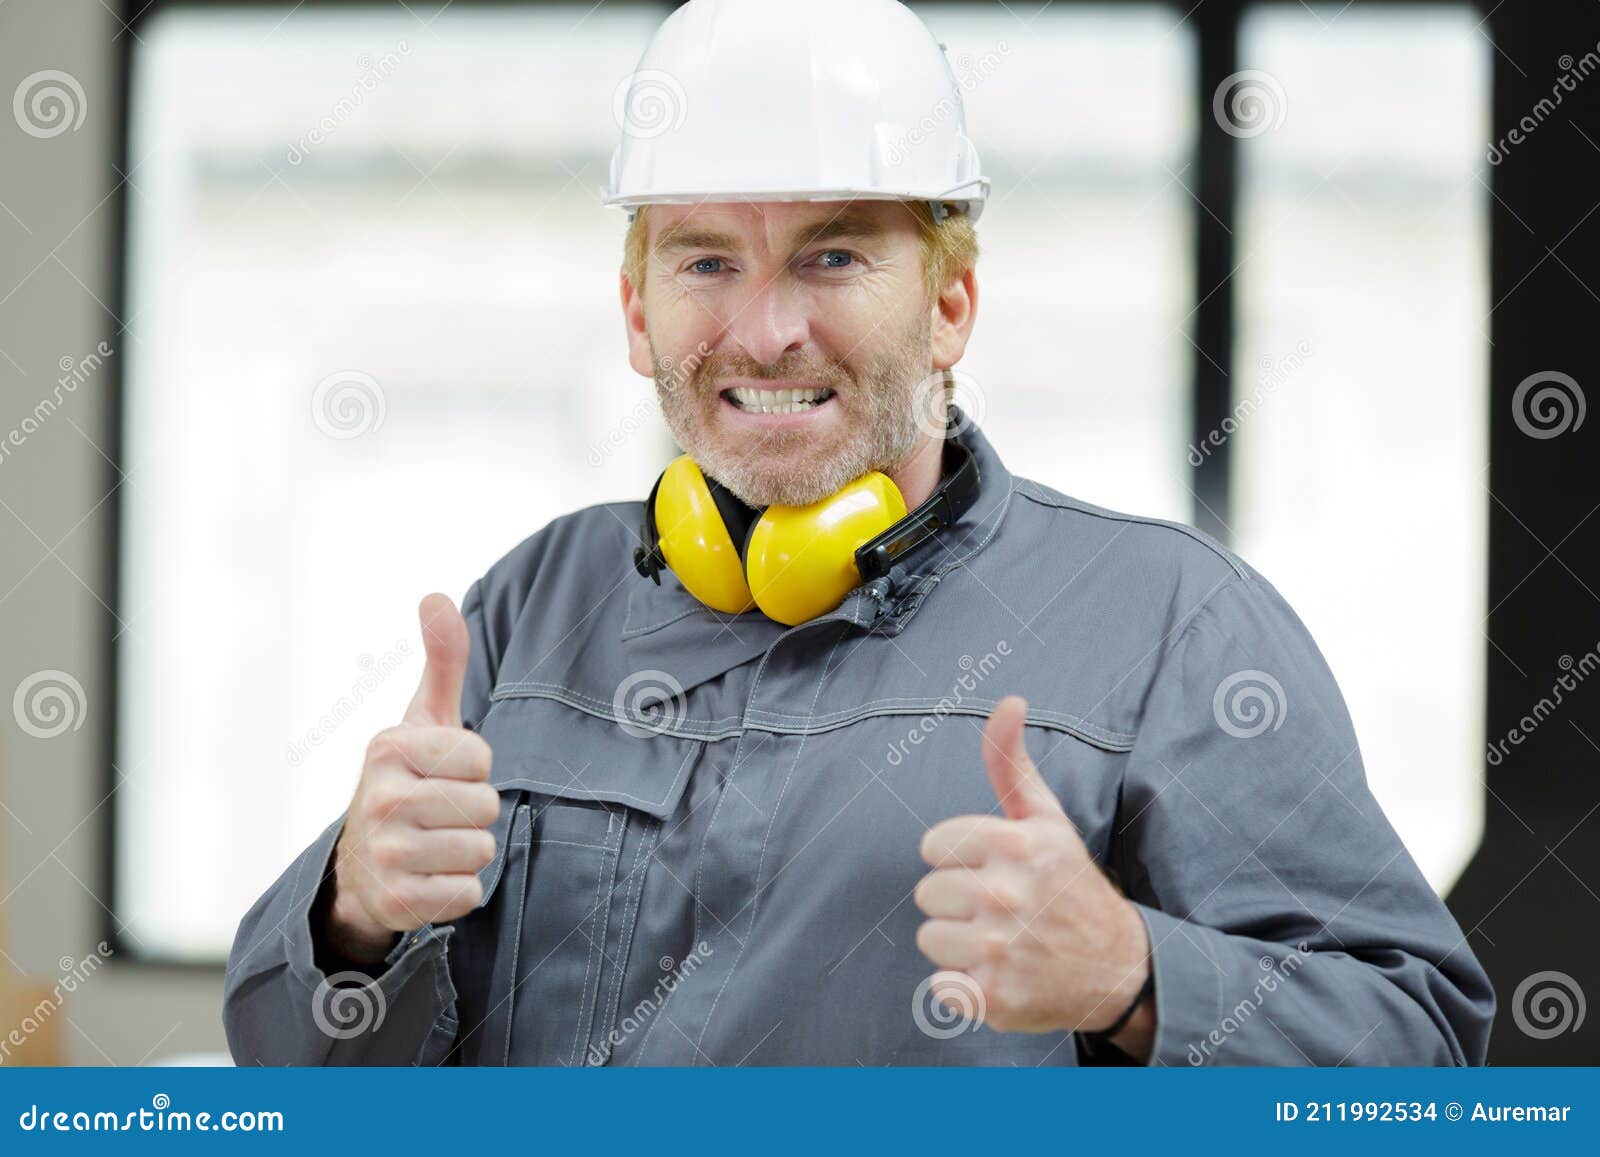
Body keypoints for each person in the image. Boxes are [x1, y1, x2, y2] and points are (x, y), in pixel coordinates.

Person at [224, 0, 1494, 1066]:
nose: (766, 328)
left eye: (832, 256)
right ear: (635, 311)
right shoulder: (536, 604)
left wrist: (1135, 975)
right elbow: (289, 1062)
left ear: (948, 304)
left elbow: (1419, 1052)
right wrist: (351, 914)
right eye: (706, 260)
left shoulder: (1168, 622)